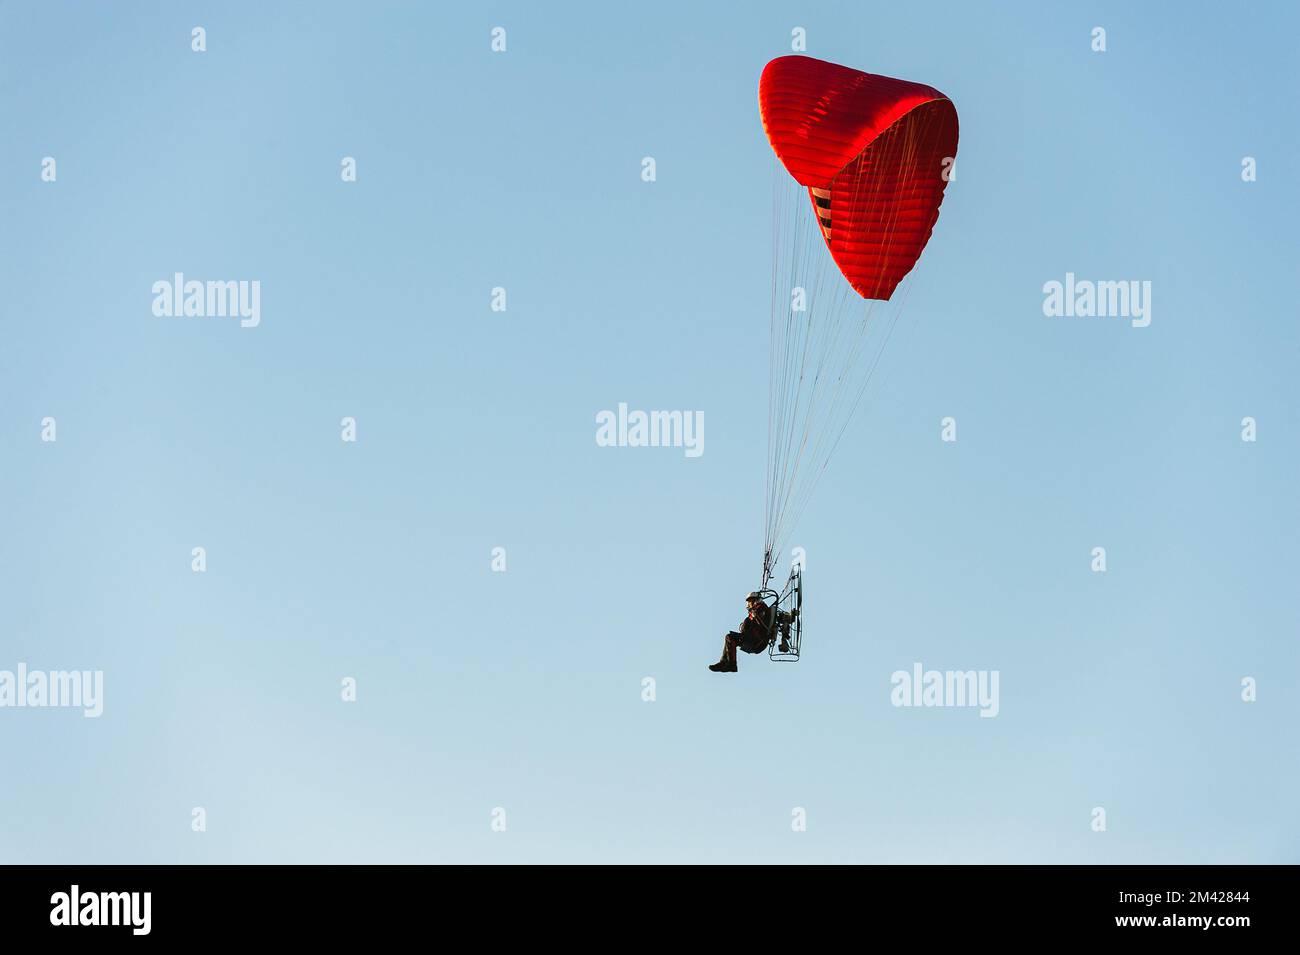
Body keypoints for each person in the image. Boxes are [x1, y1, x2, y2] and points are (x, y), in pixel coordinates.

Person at [708, 592, 773, 672]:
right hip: (752, 638)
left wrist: (754, 615)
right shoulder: (755, 610)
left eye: (751, 601)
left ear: (756, 600)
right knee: (730, 639)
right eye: (748, 602)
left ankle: (731, 665)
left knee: (730, 637)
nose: (749, 604)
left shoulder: (761, 608)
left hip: (757, 640)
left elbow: (761, 624)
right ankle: (724, 662)